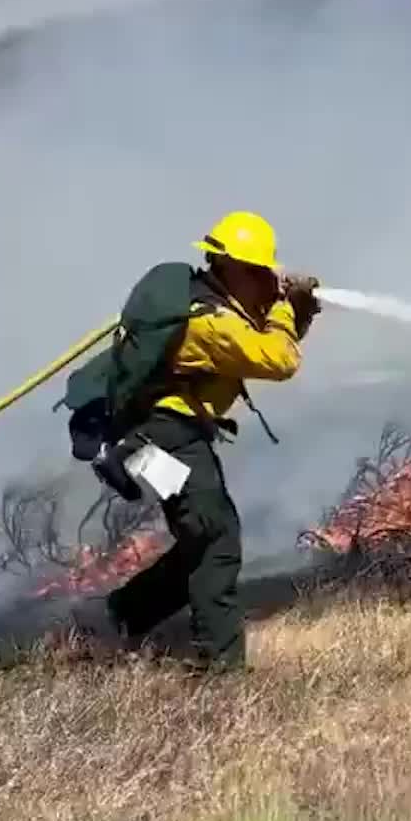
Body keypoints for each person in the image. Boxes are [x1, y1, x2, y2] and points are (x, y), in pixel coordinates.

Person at [103, 210, 321, 672]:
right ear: (229, 267)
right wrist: (286, 307)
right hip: (166, 441)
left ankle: (121, 617)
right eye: (256, 271)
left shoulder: (208, 306)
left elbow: (259, 346)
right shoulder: (209, 322)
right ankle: (220, 665)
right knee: (215, 538)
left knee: (201, 535)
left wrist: (293, 311)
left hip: (152, 441)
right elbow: (277, 360)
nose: (265, 279)